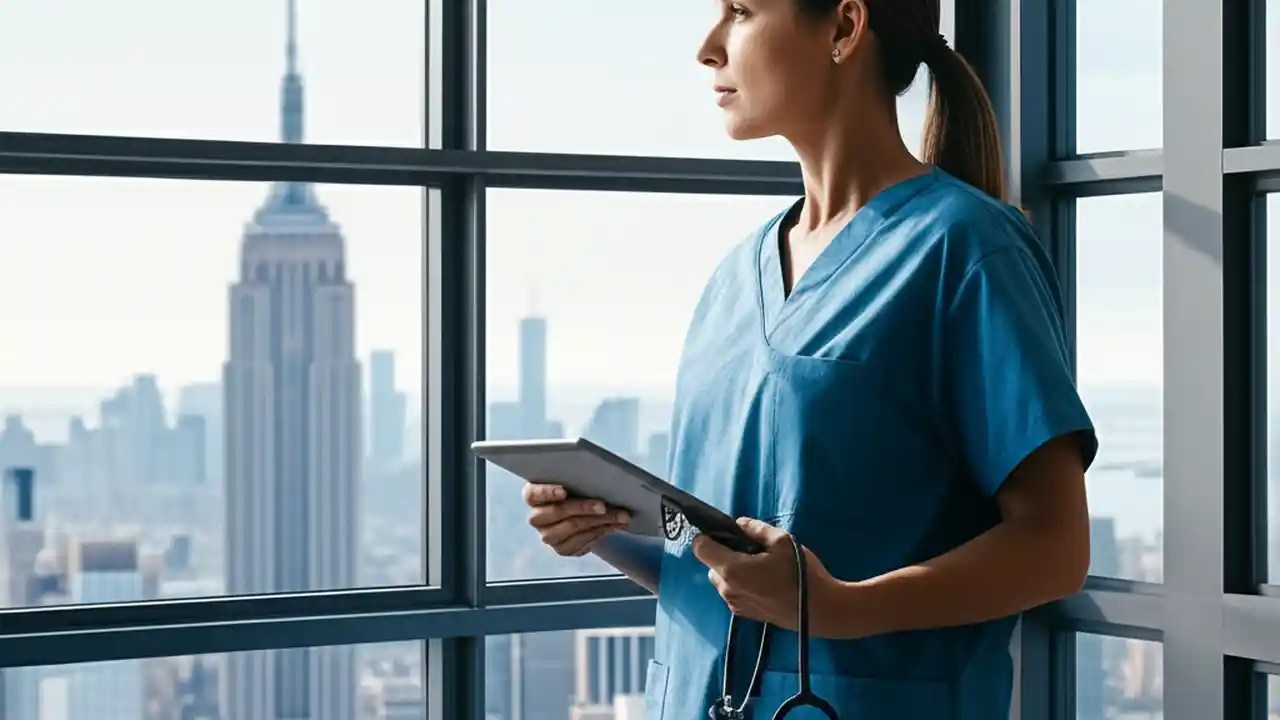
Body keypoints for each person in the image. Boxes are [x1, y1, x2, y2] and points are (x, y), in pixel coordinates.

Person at [521, 0, 1098, 717]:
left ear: (844, 27)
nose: (708, 47)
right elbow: (728, 570)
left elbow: (1054, 546)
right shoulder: (735, 277)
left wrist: (844, 609)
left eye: (739, 11)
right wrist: (604, 528)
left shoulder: (968, 249)